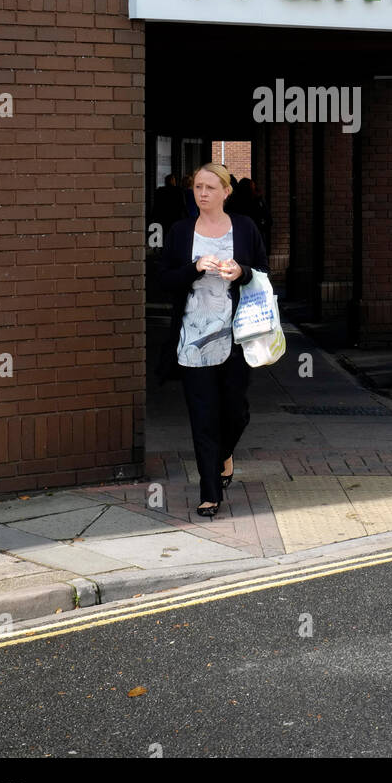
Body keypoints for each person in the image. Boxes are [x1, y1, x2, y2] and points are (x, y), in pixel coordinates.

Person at [157, 163, 269, 518]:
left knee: (235, 410)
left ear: (226, 192)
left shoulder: (245, 228)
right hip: (192, 338)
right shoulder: (179, 231)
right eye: (197, 187)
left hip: (236, 336)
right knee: (203, 415)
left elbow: (264, 274)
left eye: (210, 187)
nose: (202, 193)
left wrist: (241, 271)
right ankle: (209, 492)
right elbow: (164, 279)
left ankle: (224, 455)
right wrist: (194, 268)